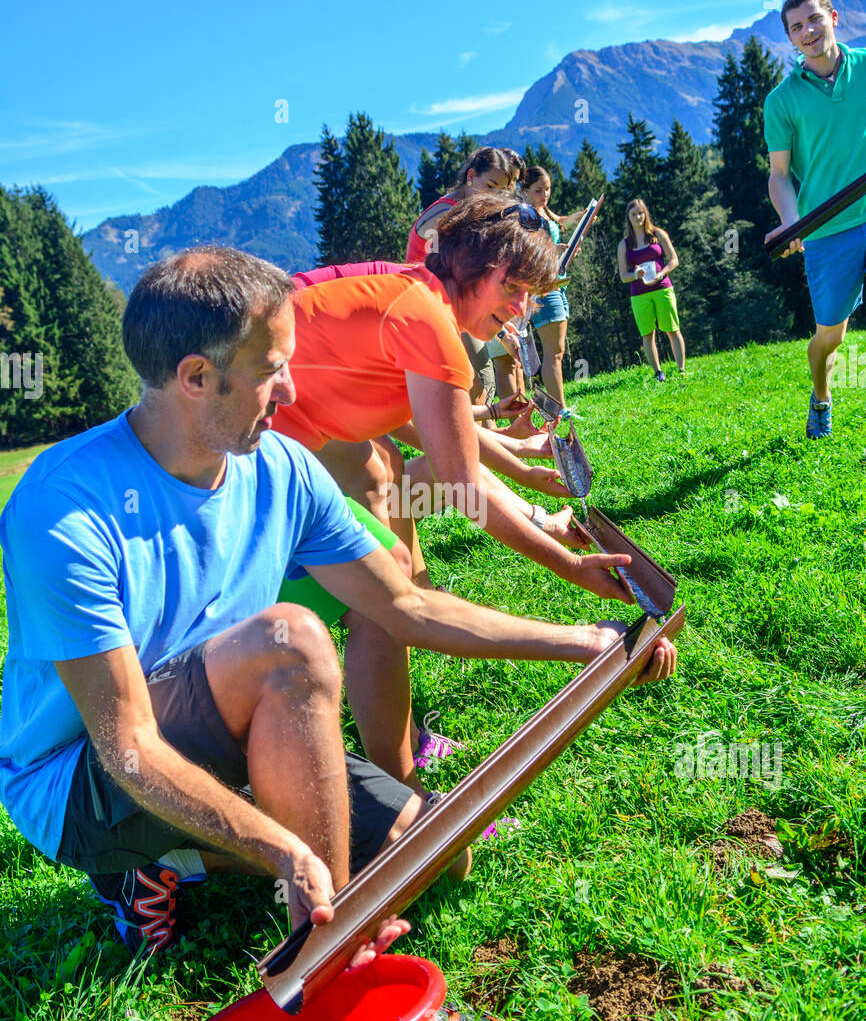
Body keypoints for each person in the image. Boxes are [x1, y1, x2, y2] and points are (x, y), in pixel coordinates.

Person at [0, 247, 677, 957]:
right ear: (196, 377)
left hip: (236, 725)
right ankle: (329, 941)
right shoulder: (62, 509)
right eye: (272, 371)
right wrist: (289, 854)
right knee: (288, 641)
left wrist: (583, 640)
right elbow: (129, 748)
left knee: (442, 855)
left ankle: (177, 862)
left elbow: (404, 607)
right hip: (86, 785)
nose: (293, 393)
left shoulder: (284, 469)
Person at [272, 196, 648, 792]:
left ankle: (398, 775)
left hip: (257, 452)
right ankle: (400, 796)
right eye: (517, 289)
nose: (522, 311)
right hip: (245, 465)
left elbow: (439, 435)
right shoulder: (427, 320)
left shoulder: (414, 294)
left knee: (385, 524)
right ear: (487, 270)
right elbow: (460, 482)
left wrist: (526, 483)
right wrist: (571, 566)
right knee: (381, 591)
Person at [763, 0, 866, 438]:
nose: (807, 31)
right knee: (830, 338)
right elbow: (780, 175)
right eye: (796, 27)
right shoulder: (781, 101)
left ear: (834, 17)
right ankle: (821, 394)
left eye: (814, 19)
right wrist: (791, 224)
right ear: (789, 38)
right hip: (828, 230)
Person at [407, 147, 522, 411]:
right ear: (471, 176)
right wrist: (501, 330)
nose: (495, 195)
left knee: (482, 384)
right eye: (490, 185)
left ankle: (490, 447)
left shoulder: (469, 209)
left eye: (501, 190)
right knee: (477, 384)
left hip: (451, 305)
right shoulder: (448, 214)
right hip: (430, 306)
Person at [488, 166, 587, 407]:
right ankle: (559, 408)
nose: (545, 194)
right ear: (525, 191)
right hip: (542, 287)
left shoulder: (543, 212)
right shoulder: (526, 216)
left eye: (548, 189)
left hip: (557, 283)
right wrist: (554, 251)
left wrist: (571, 227)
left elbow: (554, 224)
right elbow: (526, 252)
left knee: (558, 351)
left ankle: (552, 406)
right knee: (553, 352)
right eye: (539, 190)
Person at [617, 199, 687, 381]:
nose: (638, 217)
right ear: (628, 218)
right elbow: (623, 275)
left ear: (645, 214)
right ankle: (658, 373)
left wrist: (661, 274)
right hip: (639, 295)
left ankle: (681, 370)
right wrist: (635, 275)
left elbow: (674, 259)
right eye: (634, 214)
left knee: (672, 329)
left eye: (641, 213)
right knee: (648, 334)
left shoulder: (658, 234)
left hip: (663, 288)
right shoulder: (624, 245)